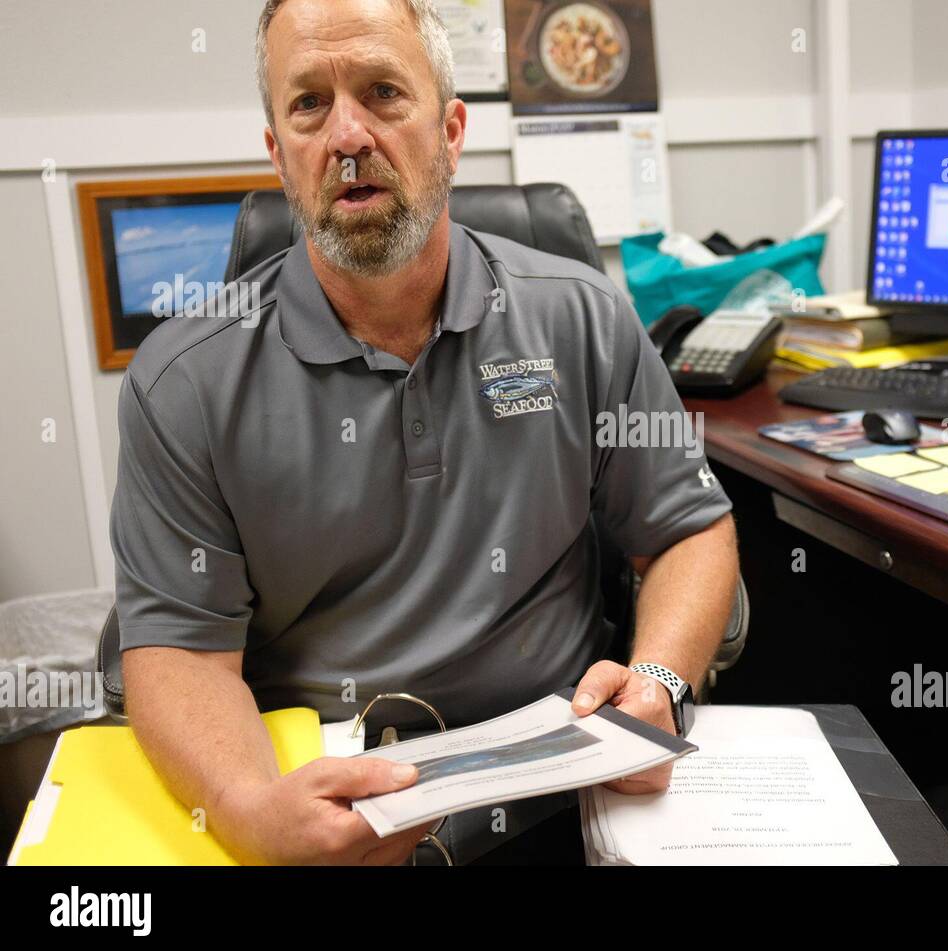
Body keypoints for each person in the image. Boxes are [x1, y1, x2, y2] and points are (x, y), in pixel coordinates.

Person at [112, 0, 738, 865]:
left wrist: (660, 680)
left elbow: (690, 530)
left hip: (563, 796)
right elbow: (178, 653)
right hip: (332, 807)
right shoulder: (183, 382)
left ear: (449, 131)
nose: (347, 136)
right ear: (278, 156)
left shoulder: (582, 317)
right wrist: (249, 809)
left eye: (382, 92)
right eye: (309, 106)